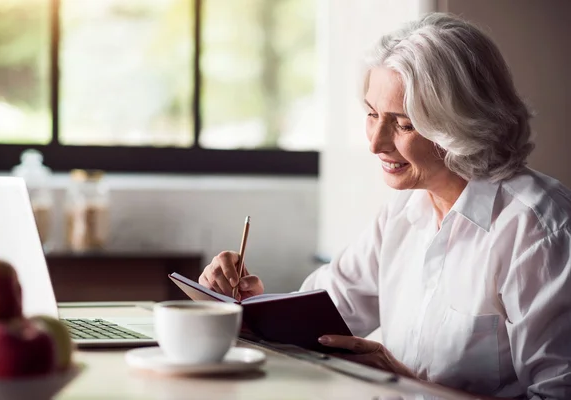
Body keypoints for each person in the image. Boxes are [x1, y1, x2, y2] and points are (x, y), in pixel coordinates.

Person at [198, 12, 571, 400]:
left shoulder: (539, 230)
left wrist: (406, 383)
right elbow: (325, 320)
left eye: (403, 124)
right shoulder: (403, 210)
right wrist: (247, 306)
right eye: (372, 115)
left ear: (460, 125)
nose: (375, 143)